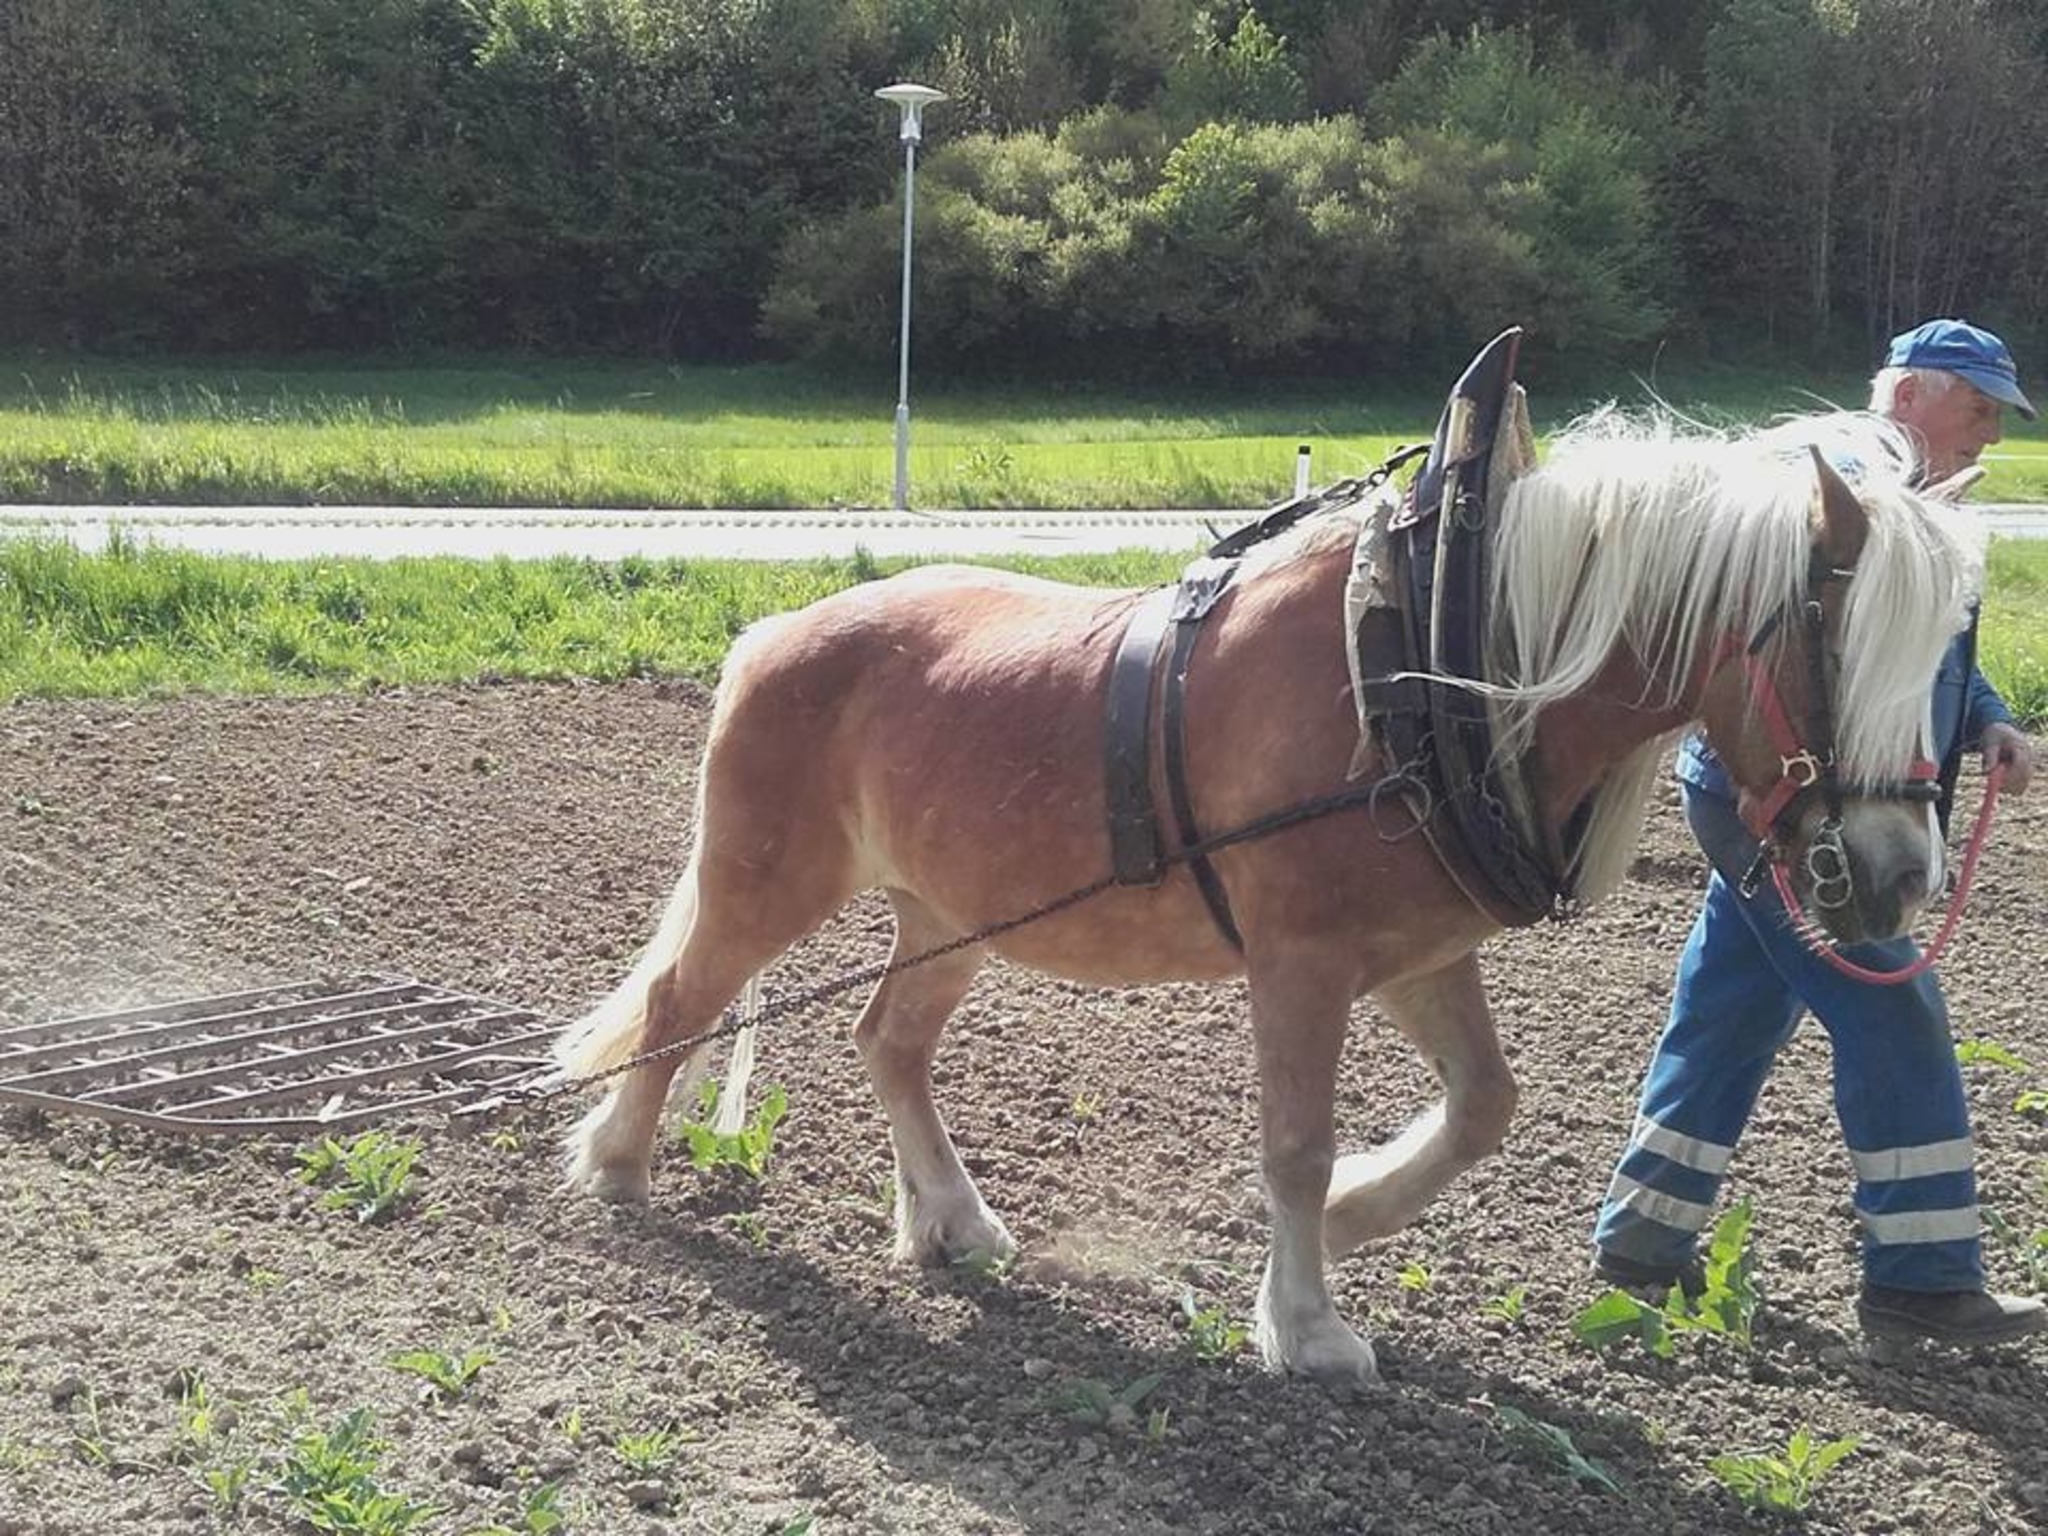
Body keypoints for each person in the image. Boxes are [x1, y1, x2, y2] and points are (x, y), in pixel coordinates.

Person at [1591, 318, 2044, 1345]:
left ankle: (1641, 1237)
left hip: (1798, 795)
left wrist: (1983, 719)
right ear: (1911, 393)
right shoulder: (1826, 500)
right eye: (1975, 406)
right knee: (1892, 1006)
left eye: (1995, 415)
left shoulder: (1906, 502)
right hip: (1785, 800)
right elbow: (1799, 655)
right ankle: (1921, 1277)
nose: (1988, 432)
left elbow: (1910, 649)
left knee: (1729, 1011)